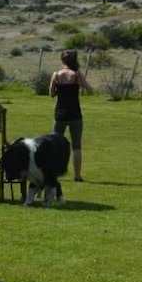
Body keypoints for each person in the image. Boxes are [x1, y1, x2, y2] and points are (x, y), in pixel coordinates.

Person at [49, 49, 92, 182]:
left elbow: (51, 93)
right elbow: (90, 90)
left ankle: (52, 173)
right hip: (75, 115)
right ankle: (77, 175)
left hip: (60, 114)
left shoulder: (56, 75)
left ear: (62, 60)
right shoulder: (77, 75)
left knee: (54, 145)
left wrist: (59, 91)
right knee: (76, 146)